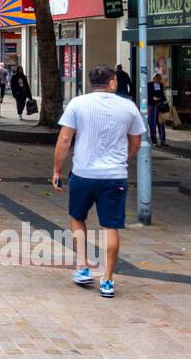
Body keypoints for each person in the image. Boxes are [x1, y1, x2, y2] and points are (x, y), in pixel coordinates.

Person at [51, 64, 146, 299]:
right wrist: (125, 158)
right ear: (113, 82)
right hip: (114, 177)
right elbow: (136, 141)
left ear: (91, 82)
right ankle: (107, 279)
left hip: (83, 173)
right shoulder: (128, 107)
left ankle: (83, 266)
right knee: (110, 226)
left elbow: (65, 139)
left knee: (77, 218)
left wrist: (57, 169)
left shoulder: (77, 104)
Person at [147, 72, 169, 146]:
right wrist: (153, 98)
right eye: (157, 78)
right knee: (152, 123)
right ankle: (154, 141)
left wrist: (165, 100)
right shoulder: (149, 84)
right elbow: (148, 94)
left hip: (160, 105)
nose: (159, 80)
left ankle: (163, 140)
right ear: (154, 78)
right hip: (152, 105)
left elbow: (162, 94)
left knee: (161, 122)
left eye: (159, 79)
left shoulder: (161, 84)